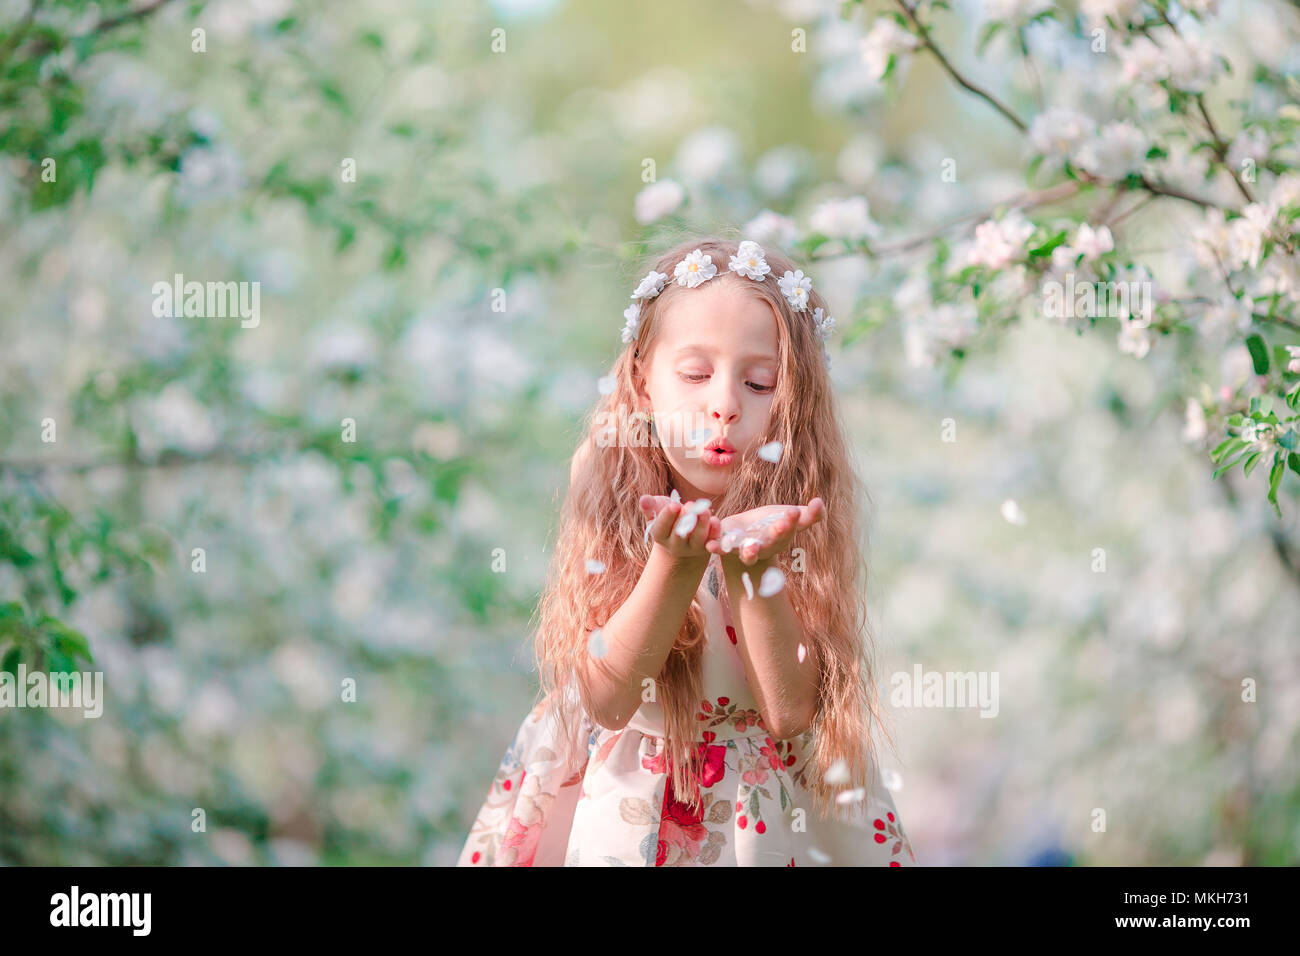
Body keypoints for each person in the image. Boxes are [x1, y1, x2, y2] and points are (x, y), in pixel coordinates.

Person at [457, 234, 917, 866]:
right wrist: (673, 564)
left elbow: (788, 714)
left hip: (761, 821)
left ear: (794, 403)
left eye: (760, 384)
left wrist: (754, 570)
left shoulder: (795, 517)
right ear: (643, 378)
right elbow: (610, 699)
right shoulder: (614, 491)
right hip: (632, 804)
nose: (724, 405)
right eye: (696, 375)